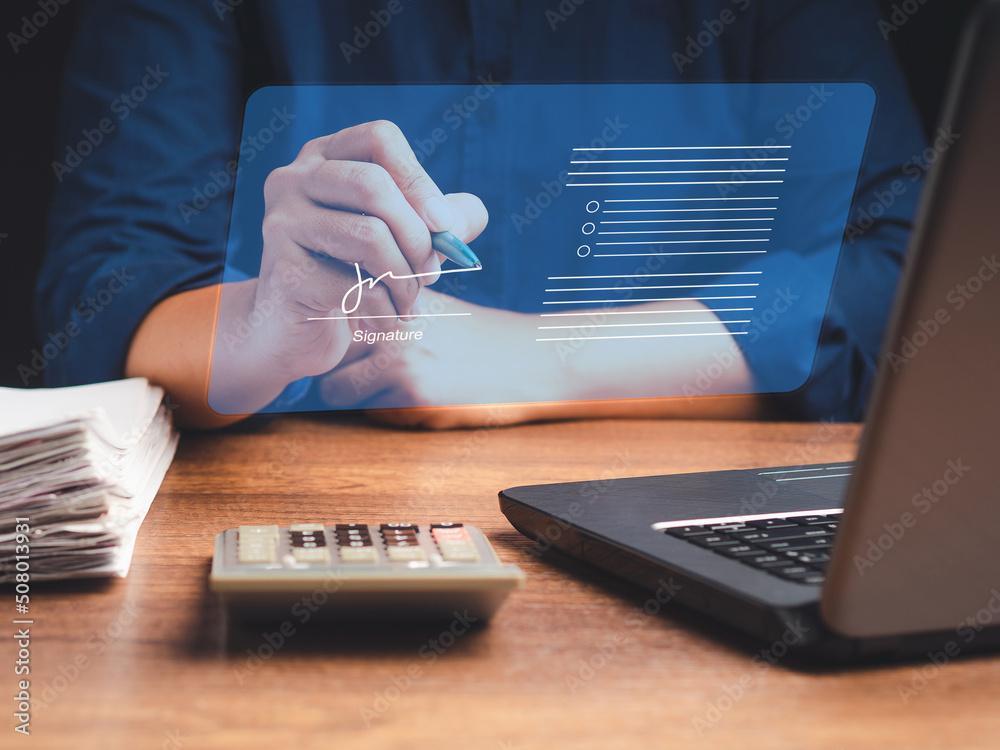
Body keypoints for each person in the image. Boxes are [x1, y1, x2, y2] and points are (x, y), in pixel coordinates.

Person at [36, 0, 926, 429]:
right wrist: (265, 331)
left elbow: (912, 278)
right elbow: (105, 298)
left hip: (687, 514)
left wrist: (547, 362)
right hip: (294, 527)